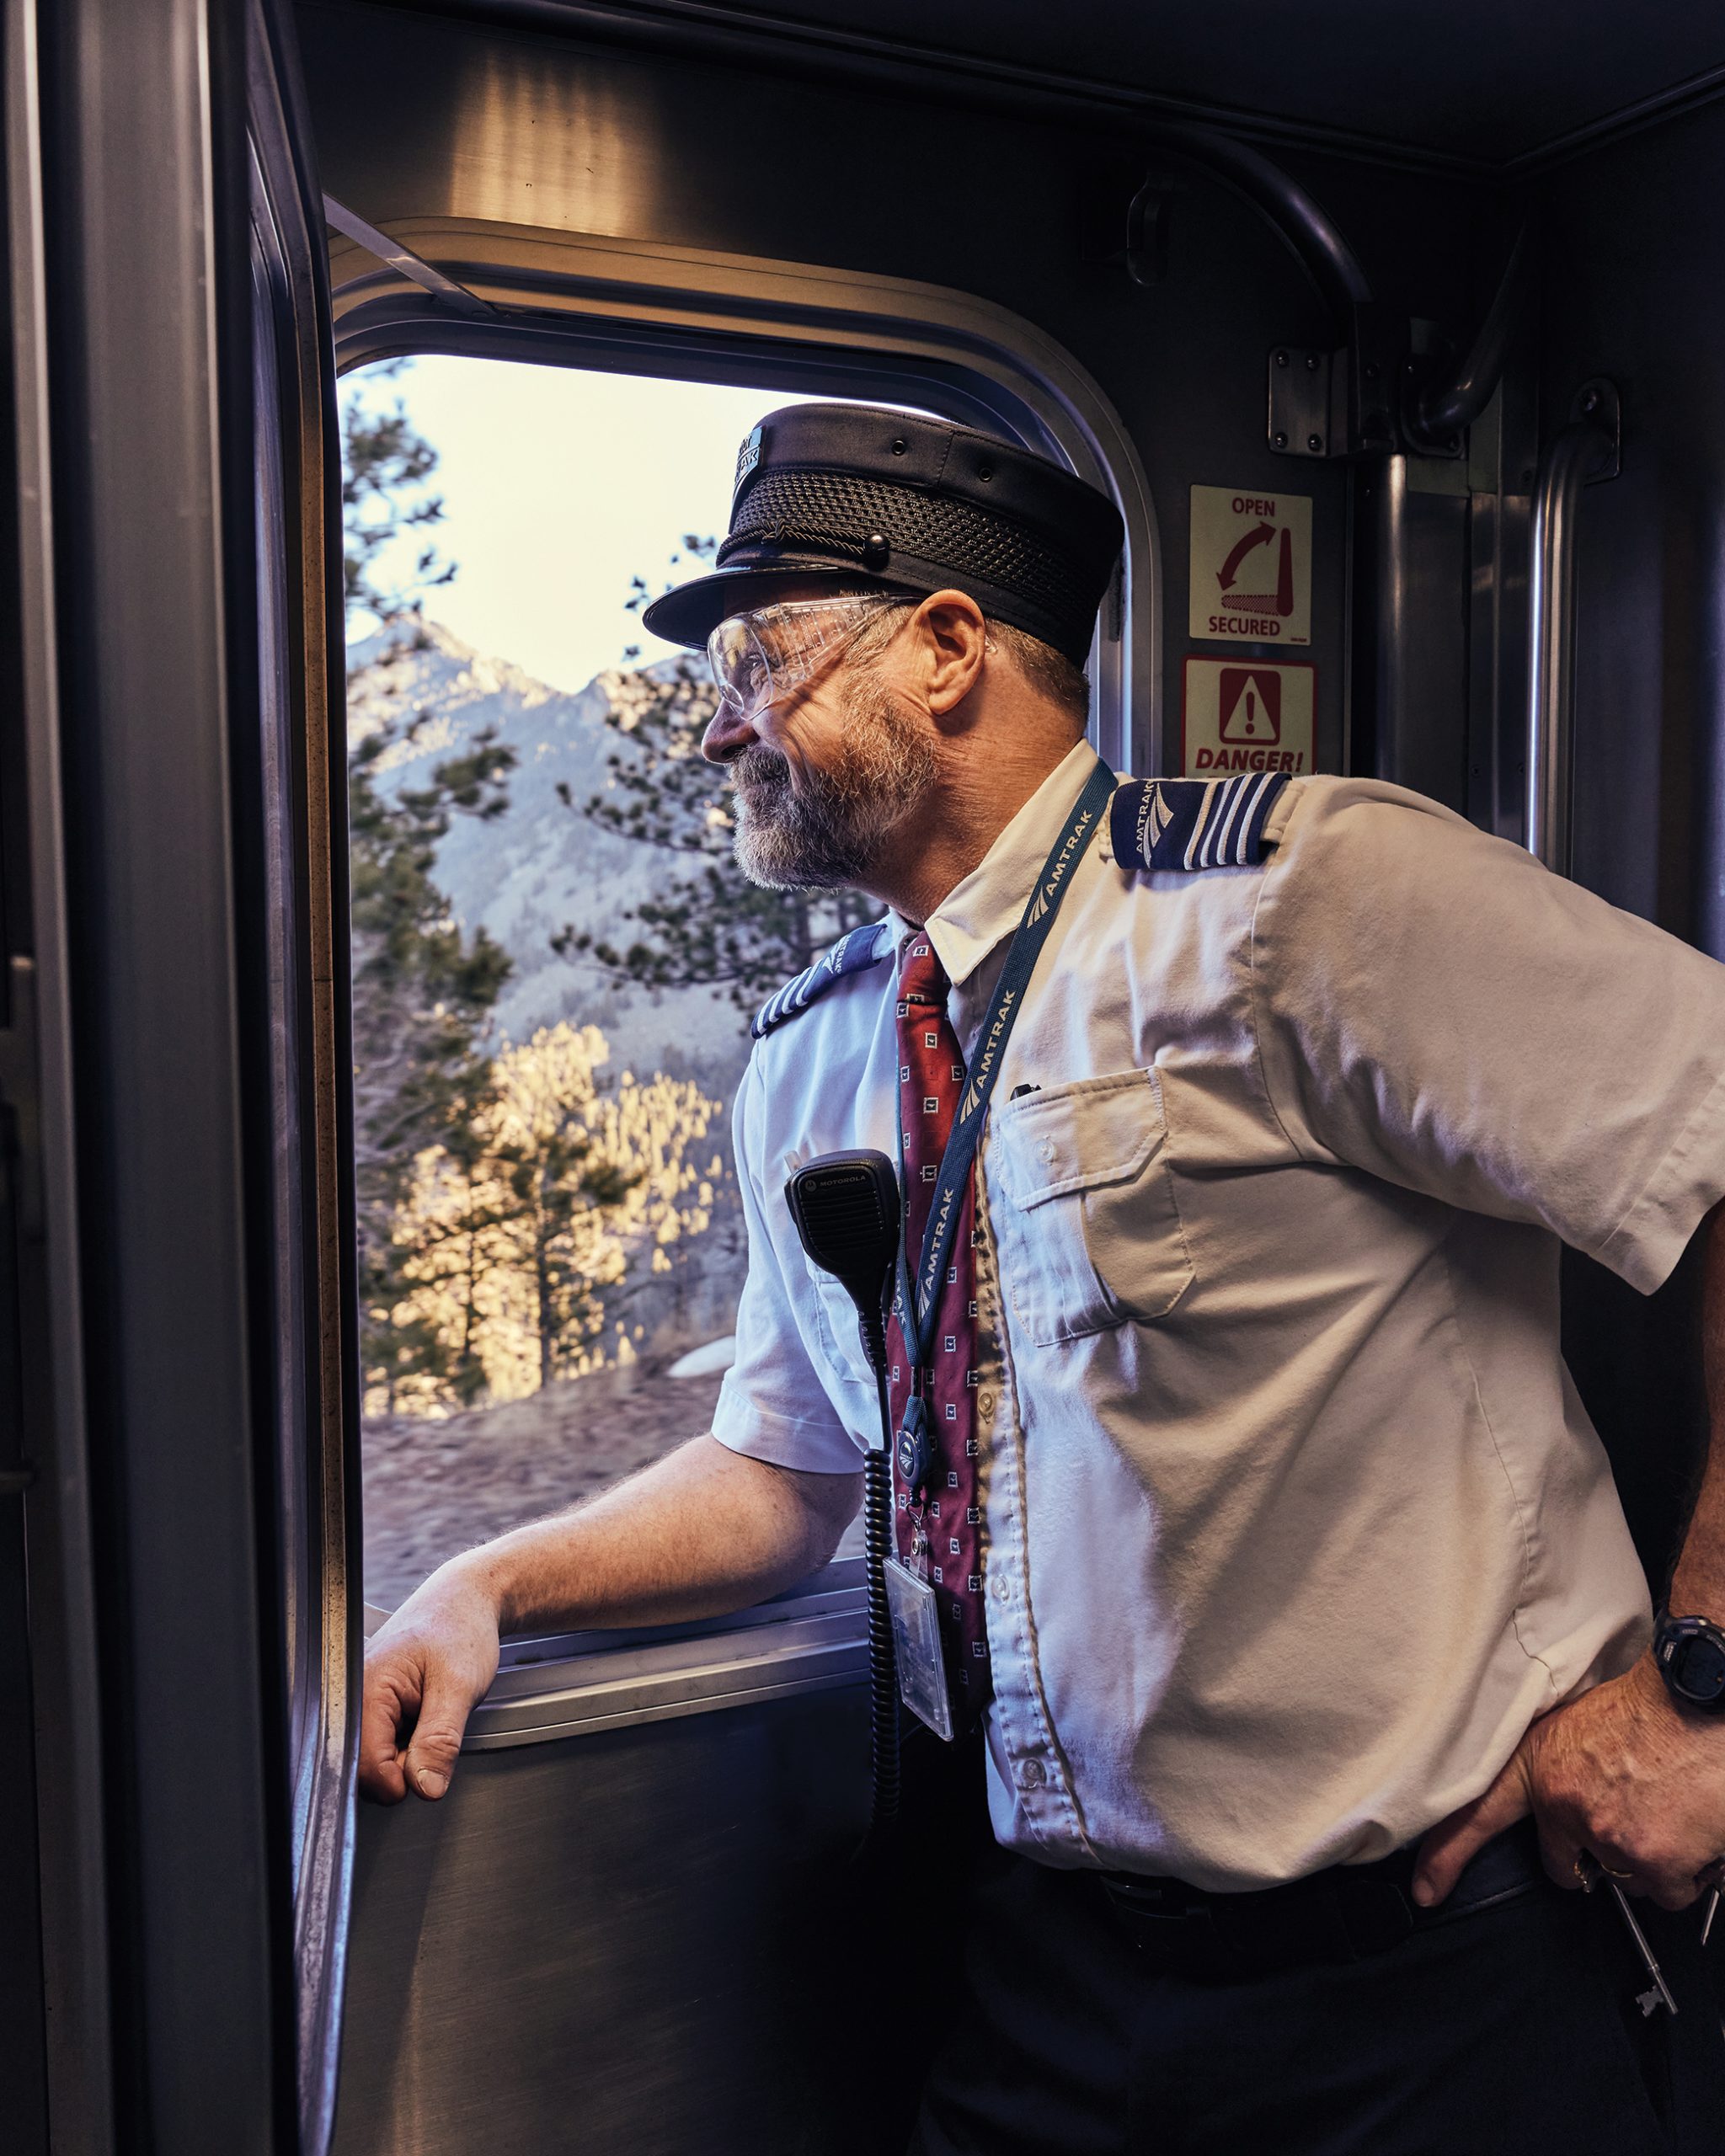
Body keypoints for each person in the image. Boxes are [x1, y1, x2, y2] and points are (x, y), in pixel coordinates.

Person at [360, 401, 1725, 2151]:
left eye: (755, 661)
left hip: (1424, 1978)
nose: (715, 728)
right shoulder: (821, 1056)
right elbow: (783, 1472)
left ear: (943, 651)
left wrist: (1699, 1686)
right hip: (1050, 1977)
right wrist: (482, 1579)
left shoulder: (1298, 902)